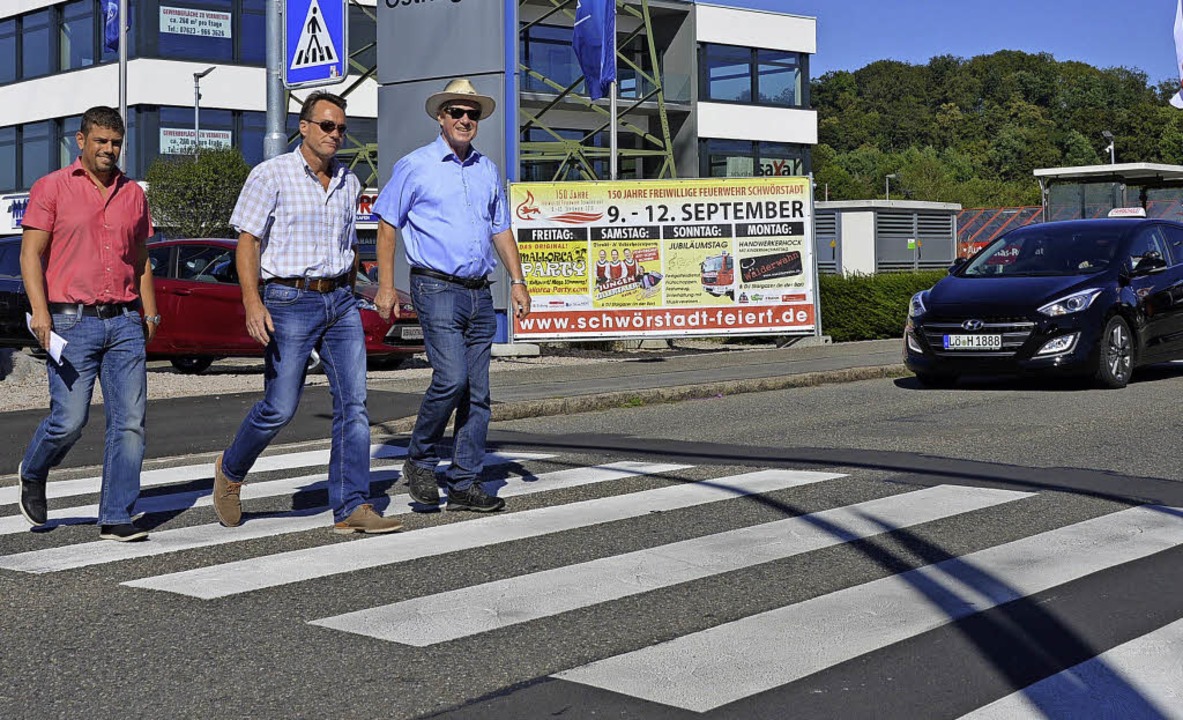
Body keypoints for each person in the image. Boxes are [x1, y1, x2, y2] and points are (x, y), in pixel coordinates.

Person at [211, 91, 401, 535]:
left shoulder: (349, 183)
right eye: (327, 126)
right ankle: (231, 468)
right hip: (288, 299)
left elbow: (349, 247)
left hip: (340, 302)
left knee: (354, 404)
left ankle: (351, 504)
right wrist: (252, 301)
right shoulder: (270, 175)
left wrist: (353, 293)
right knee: (279, 407)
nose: (336, 134)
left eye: (341, 128)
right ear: (304, 127)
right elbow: (248, 243)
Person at [372, 77, 531, 513]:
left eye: (472, 114)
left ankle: (464, 482)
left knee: (477, 394)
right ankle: (420, 460)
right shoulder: (415, 165)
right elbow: (388, 224)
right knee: (451, 378)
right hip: (435, 286)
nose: (465, 120)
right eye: (456, 112)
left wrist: (517, 281)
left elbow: (500, 228)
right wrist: (386, 285)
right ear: (441, 118)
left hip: (479, 292)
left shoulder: (486, 169)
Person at [18, 106, 158, 541]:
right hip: (70, 321)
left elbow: (141, 261)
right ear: (81, 141)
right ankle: (35, 468)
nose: (109, 150)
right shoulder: (52, 188)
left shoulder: (133, 193)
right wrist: (40, 312)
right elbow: (30, 255)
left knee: (130, 420)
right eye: (101, 141)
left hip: (124, 321)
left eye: (115, 143)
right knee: (69, 420)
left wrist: (149, 313)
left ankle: (116, 513)